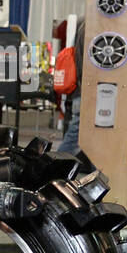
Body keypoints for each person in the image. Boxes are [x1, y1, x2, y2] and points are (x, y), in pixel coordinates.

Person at [58, 19, 84, 154]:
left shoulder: (83, 24)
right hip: (85, 93)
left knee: (75, 138)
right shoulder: (91, 27)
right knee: (73, 139)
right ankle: (55, 167)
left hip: (80, 91)